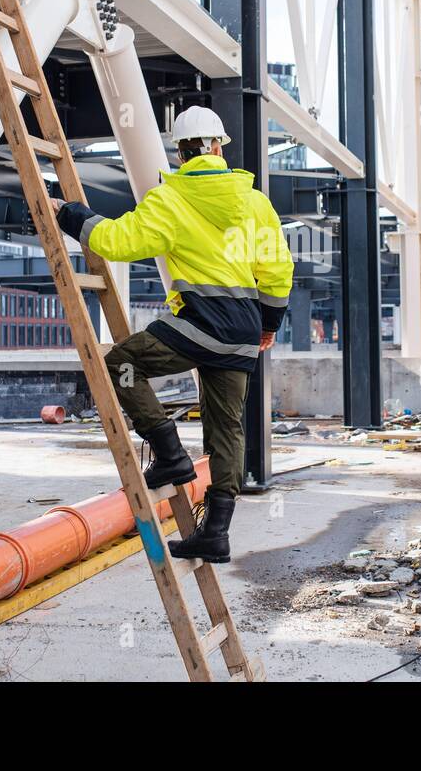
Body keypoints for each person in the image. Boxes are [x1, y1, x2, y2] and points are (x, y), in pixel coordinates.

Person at [51, 106, 293, 563]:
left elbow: (118, 242)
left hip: (201, 323)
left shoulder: (172, 199)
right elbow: (278, 269)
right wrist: (268, 324)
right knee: (227, 430)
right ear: (219, 147)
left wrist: (72, 216)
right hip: (243, 331)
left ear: (180, 153)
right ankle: (216, 533)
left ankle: (169, 453)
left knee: (120, 363)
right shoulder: (255, 202)